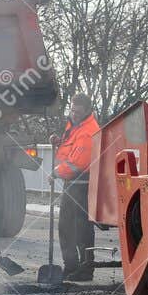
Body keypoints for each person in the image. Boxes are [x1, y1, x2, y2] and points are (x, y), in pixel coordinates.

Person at [54, 92, 99, 281]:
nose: (74, 114)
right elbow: (70, 152)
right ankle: (72, 266)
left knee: (80, 228)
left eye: (78, 112)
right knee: (68, 227)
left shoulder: (88, 131)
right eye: (72, 111)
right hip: (73, 184)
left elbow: (77, 164)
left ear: (87, 111)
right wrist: (58, 142)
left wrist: (56, 173)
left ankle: (85, 268)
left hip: (81, 184)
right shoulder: (75, 127)